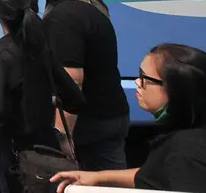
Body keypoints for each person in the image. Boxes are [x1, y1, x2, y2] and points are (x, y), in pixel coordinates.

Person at [0, 0, 84, 193]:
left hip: (9, 152)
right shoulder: (41, 47)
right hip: (45, 147)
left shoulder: (1, 55)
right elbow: (75, 99)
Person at [29, 0, 129, 171]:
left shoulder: (65, 18)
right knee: (112, 182)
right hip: (113, 111)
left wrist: (62, 135)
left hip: (89, 121)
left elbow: (72, 80)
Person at [53, 43, 206, 193]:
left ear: (176, 90)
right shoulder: (187, 137)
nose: (137, 82)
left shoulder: (186, 152)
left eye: (145, 78)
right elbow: (154, 175)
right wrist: (97, 177)